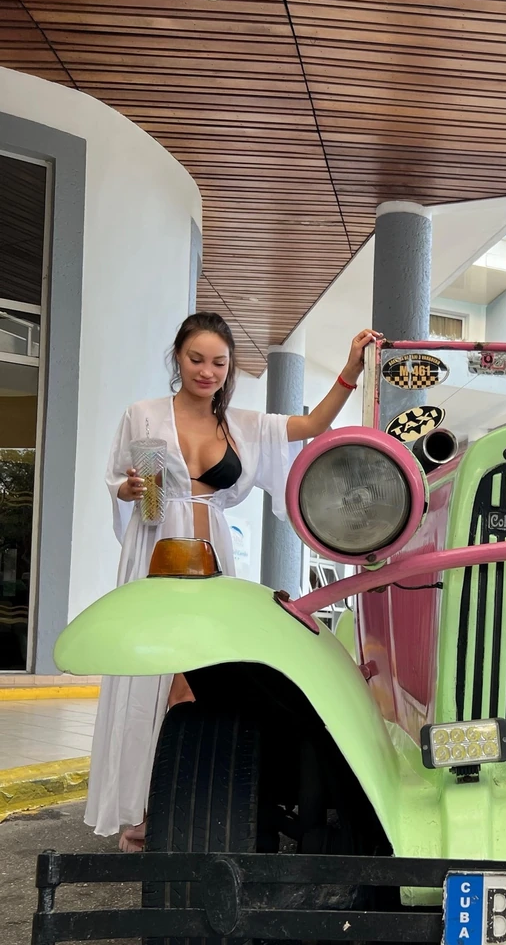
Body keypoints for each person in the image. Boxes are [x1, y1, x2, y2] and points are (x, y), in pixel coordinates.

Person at [84, 311, 381, 850]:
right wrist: (129, 491)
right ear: (178, 358)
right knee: (152, 673)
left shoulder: (241, 425)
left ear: (230, 368)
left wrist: (350, 368)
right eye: (197, 359)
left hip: (213, 559)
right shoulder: (146, 418)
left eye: (218, 362)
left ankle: (184, 800)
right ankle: (141, 806)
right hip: (157, 552)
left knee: (204, 676)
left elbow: (311, 428)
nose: (207, 371)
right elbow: (139, 494)